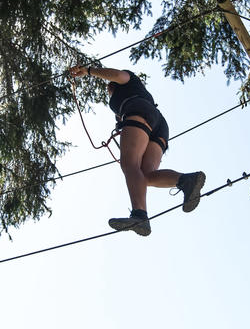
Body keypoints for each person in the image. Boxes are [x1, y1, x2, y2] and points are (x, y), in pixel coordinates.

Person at [68, 64, 206, 236]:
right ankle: (186, 180)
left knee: (129, 165)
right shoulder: (130, 96)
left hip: (140, 112)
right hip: (158, 124)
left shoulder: (128, 80)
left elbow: (118, 74)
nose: (108, 90)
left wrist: (89, 71)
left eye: (109, 88)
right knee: (145, 175)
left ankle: (139, 215)